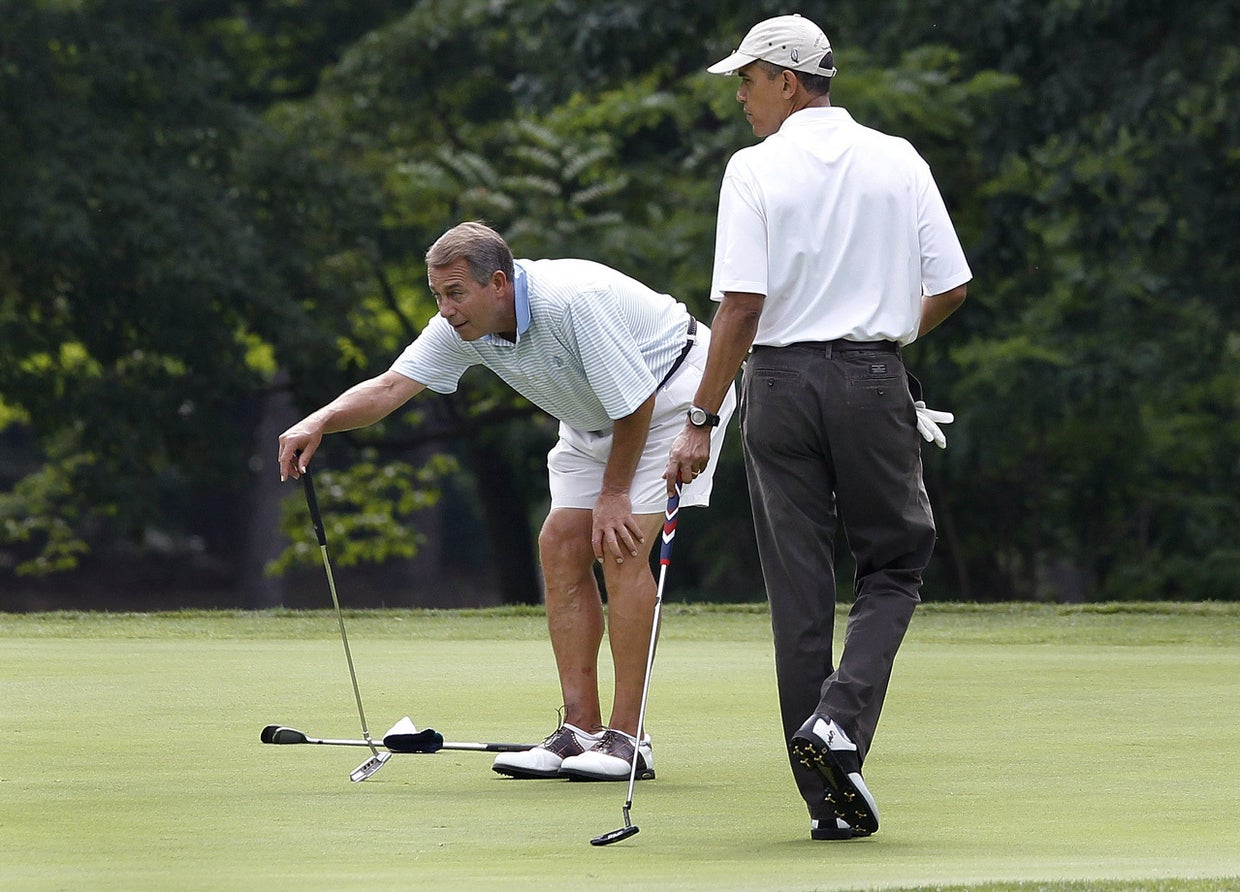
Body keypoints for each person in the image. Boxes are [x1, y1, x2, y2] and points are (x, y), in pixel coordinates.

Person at [278, 221, 736, 782]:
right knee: (560, 544)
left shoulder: (573, 303)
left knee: (620, 545)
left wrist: (614, 494)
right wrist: (320, 420)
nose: (445, 310)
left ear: (498, 283)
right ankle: (579, 731)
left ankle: (627, 738)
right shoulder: (463, 325)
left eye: (455, 294)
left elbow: (635, 403)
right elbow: (392, 387)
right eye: (437, 295)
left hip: (669, 399)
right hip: (596, 415)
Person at [666, 14, 971, 839]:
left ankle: (826, 803)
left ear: (790, 83)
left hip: (779, 383)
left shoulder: (753, 169)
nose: (739, 95)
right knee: (896, 565)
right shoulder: (898, 158)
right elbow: (949, 287)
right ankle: (840, 728)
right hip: (871, 381)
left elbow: (741, 306)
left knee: (798, 591)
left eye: (749, 79)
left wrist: (699, 420)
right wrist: (883, 338)